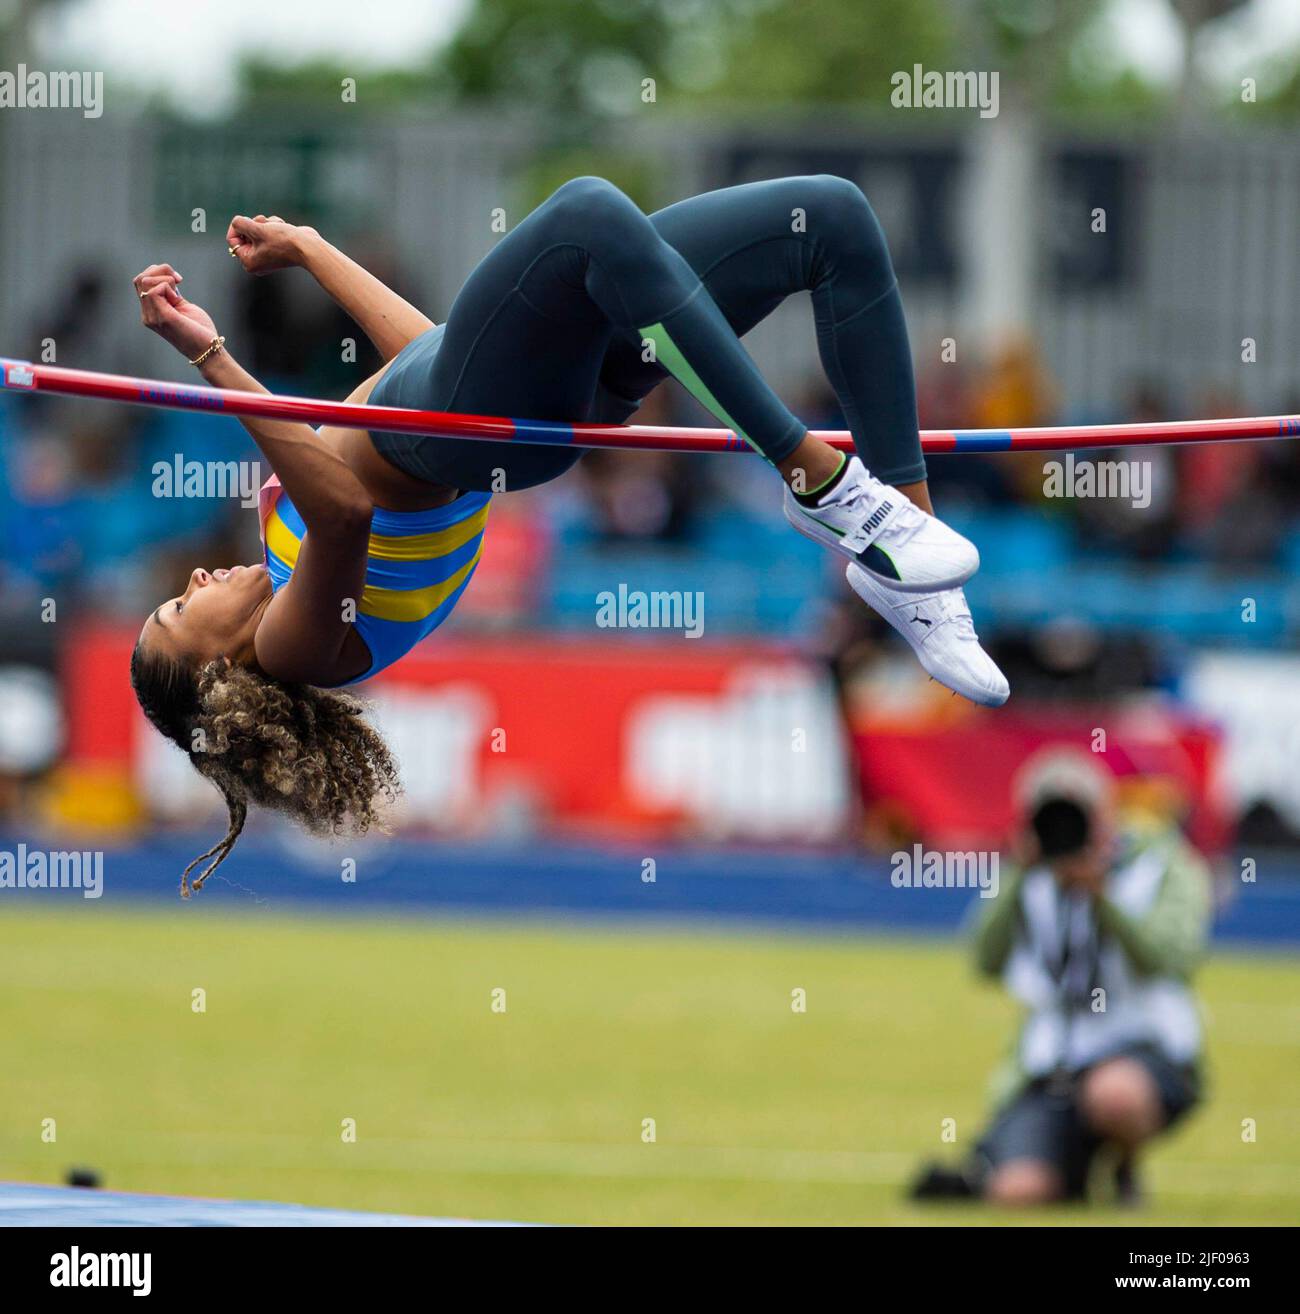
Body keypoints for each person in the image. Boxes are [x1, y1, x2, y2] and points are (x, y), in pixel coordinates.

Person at [130, 175, 1008, 893]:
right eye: (178, 608)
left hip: (515, 398)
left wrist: (314, 252)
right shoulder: (294, 650)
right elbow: (347, 510)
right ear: (215, 677)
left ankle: (910, 558)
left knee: (829, 221)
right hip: (468, 419)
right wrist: (214, 362)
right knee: (586, 211)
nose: (196, 581)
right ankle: (814, 476)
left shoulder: (281, 563)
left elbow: (421, 360)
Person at [912, 752, 1211, 1206]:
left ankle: (1125, 1168)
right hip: (1056, 1062)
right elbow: (984, 959)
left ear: (1105, 815)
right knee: (1017, 1193)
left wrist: (1101, 898)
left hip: (1141, 1047)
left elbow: (1170, 958)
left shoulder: (1156, 864)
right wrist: (1018, 873)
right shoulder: (1032, 876)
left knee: (1115, 1097)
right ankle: (1068, 1171)